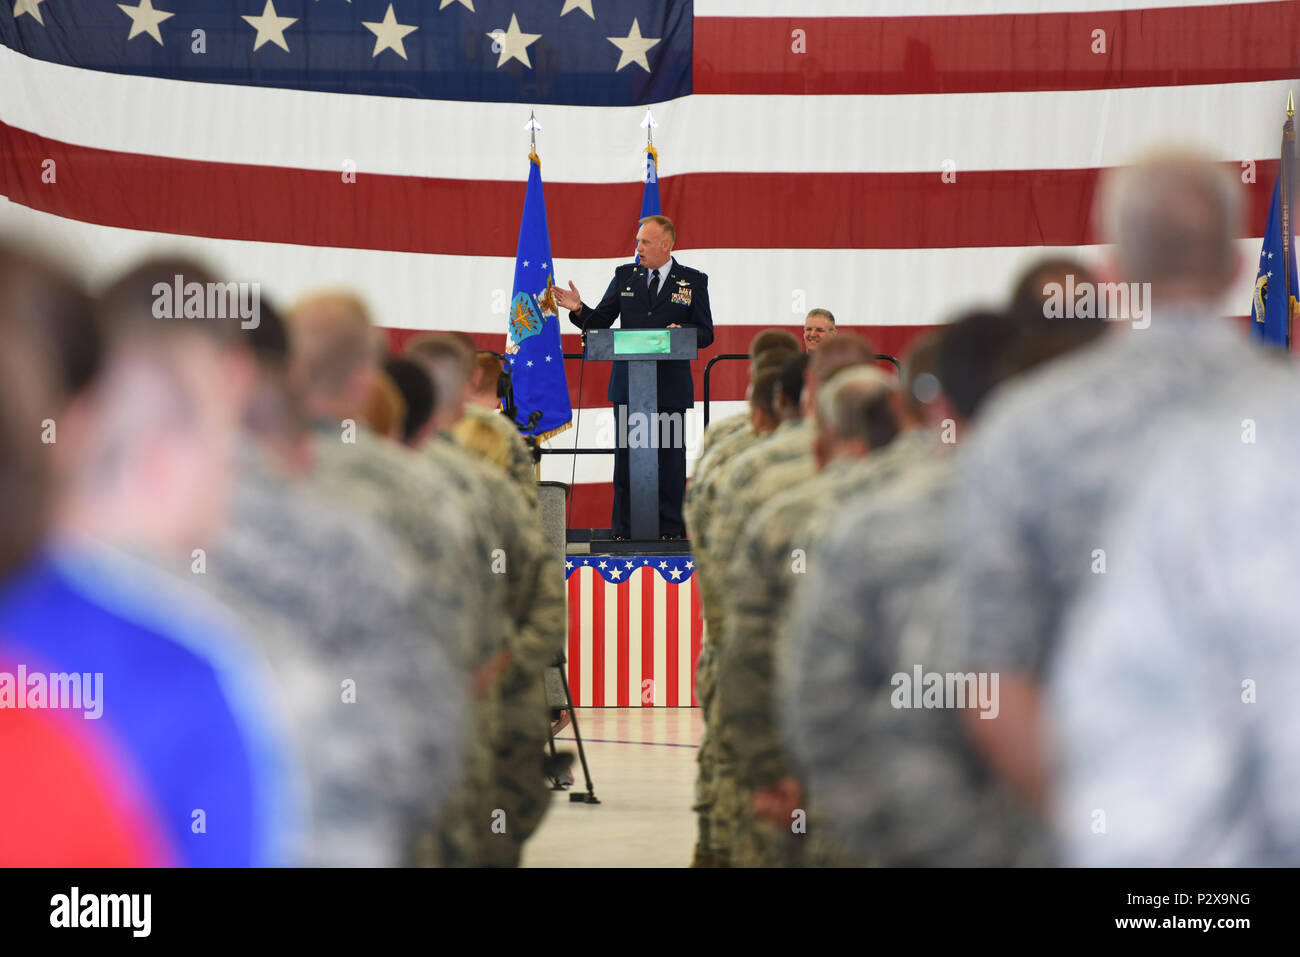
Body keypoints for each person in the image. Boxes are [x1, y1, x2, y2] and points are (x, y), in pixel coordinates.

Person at [940, 151, 1276, 829]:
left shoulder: (1023, 429)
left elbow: (993, 685)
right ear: (1237, 270)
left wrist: (1112, 823)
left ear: (1111, 276)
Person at [556, 214, 714, 539]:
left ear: (666, 244)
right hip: (631, 386)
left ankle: (671, 532)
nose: (637, 247)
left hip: (669, 388)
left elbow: (705, 332)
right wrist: (577, 308)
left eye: (644, 241)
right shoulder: (625, 276)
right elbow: (600, 320)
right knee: (627, 460)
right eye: (637, 241)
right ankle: (624, 532)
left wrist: (683, 331)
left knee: (670, 461)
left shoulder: (692, 281)